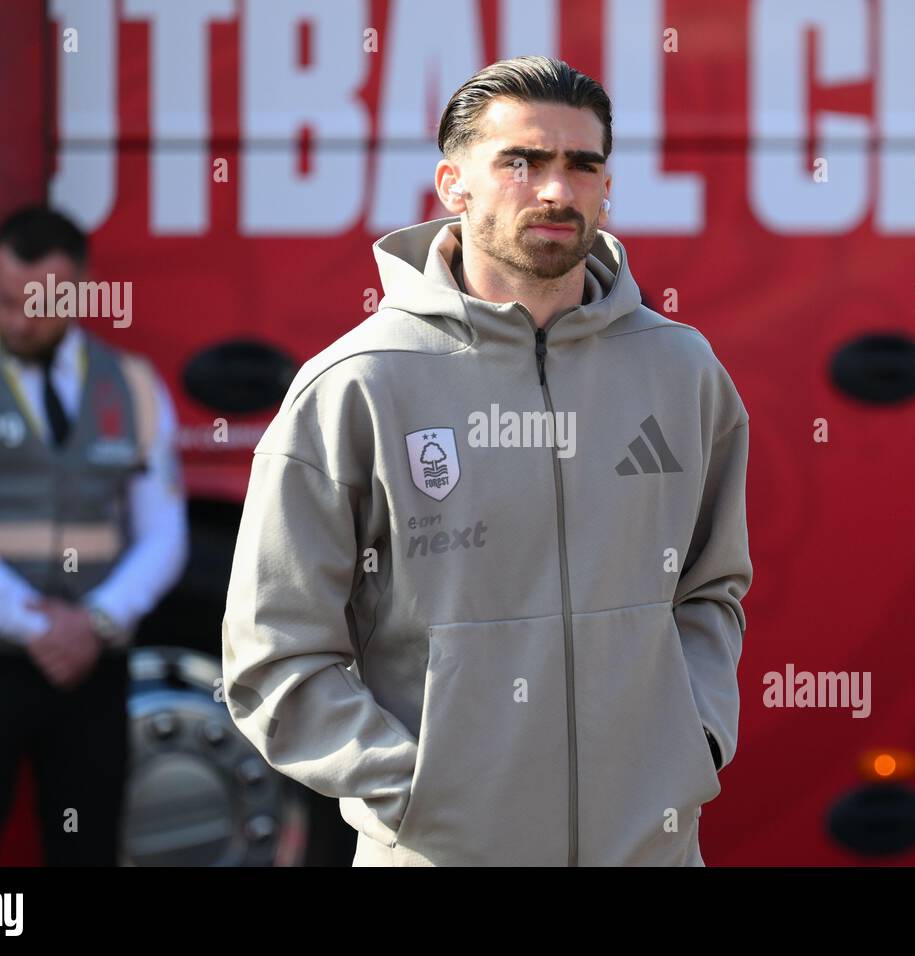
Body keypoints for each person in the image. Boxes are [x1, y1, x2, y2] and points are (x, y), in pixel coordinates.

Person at [222, 56, 752, 867]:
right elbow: (274, 654)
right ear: (452, 183)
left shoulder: (681, 371)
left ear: (607, 185)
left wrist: (694, 742)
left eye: (582, 165)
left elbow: (712, 589)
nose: (555, 190)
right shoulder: (357, 382)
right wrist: (426, 793)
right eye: (523, 161)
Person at [0, 206, 188, 865]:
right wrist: (40, 627)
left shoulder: (132, 385)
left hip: (93, 666)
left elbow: (165, 534)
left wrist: (97, 622)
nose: (19, 320)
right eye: (5, 299)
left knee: (88, 850)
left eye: (39, 303)